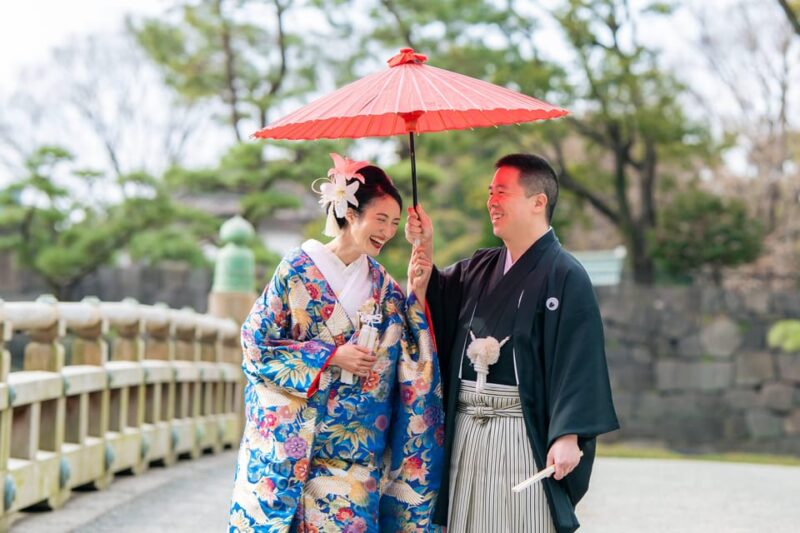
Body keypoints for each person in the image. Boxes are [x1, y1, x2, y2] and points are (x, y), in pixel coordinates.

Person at [230, 154, 443, 533]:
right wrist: (330, 355)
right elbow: (255, 343)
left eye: (395, 223)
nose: (388, 231)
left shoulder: (383, 286)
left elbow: (411, 351)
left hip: (352, 457)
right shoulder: (296, 269)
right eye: (380, 219)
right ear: (349, 213)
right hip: (290, 446)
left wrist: (418, 287)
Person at [406, 153, 619, 533]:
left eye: (502, 192)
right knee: (466, 520)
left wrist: (568, 434)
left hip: (521, 429)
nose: (491, 201)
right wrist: (425, 254)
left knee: (522, 521)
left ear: (538, 202)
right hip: (468, 425)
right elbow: (436, 303)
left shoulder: (566, 275)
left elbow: (579, 360)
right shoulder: (479, 266)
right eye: (490, 192)